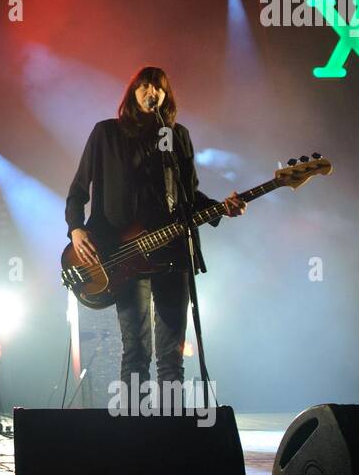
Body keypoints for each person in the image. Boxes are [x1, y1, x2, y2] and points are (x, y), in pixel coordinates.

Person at [64, 67, 246, 406]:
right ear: (134, 92)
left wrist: (223, 207)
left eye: (159, 88)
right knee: (135, 350)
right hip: (124, 255)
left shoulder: (177, 136)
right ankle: (133, 437)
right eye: (146, 85)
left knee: (171, 356)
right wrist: (76, 228)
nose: (153, 92)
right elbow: (78, 189)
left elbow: (190, 197)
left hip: (173, 254)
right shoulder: (106, 134)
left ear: (167, 96)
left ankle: (172, 435)